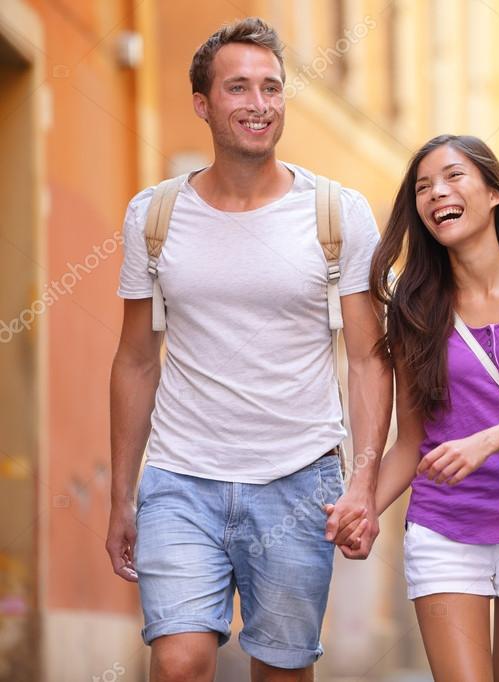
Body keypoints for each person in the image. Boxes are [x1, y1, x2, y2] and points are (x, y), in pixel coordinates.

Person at [105, 17, 391, 682]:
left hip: (298, 479)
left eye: (271, 87)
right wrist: (123, 494)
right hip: (180, 477)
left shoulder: (336, 213)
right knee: (178, 662)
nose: (259, 104)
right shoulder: (153, 216)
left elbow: (367, 357)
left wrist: (363, 481)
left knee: (280, 671)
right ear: (203, 104)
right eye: (238, 88)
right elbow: (135, 359)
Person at [338, 134, 499, 681]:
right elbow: (411, 441)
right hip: (445, 528)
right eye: (423, 187)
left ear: (494, 192)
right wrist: (365, 510)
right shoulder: (414, 309)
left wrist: (483, 442)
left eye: (453, 177)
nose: (436, 194)